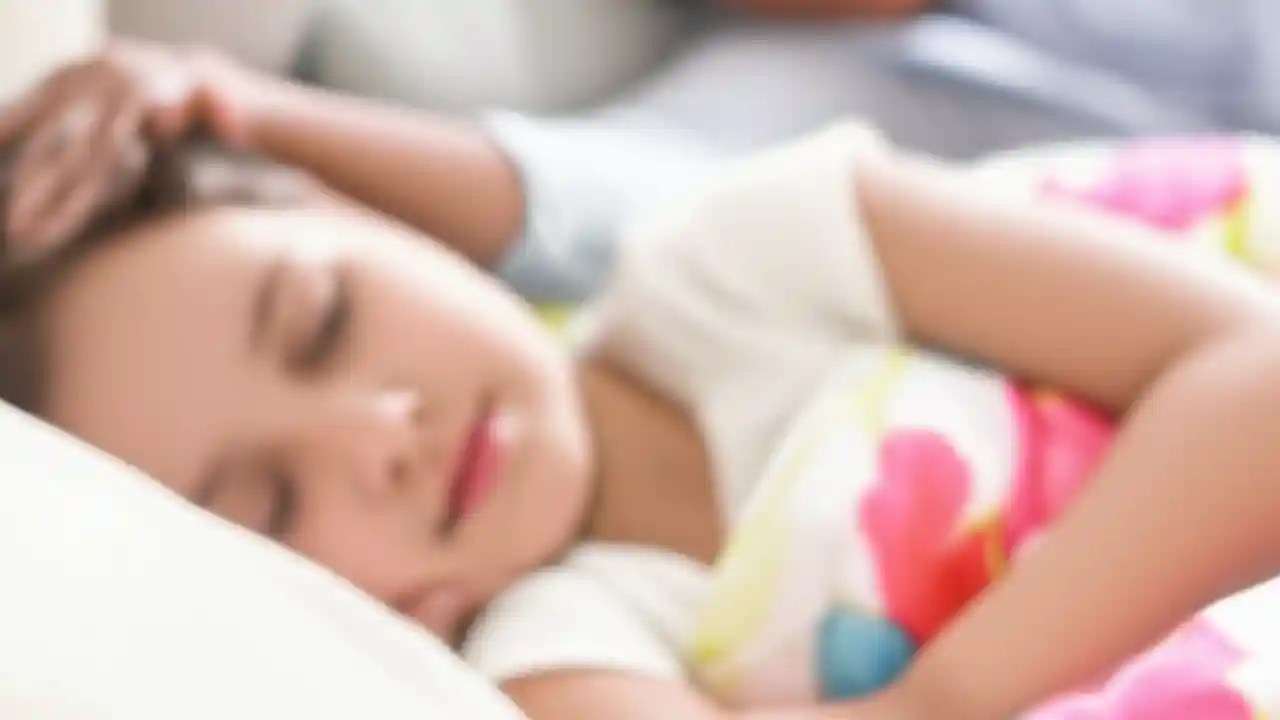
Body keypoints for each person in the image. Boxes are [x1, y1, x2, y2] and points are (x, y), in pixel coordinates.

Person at [5, 43, 1280, 719]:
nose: (377, 433)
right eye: (269, 506)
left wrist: (940, 702)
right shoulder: (553, 656)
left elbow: (1259, 372)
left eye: (324, 322)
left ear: (370, 213)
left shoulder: (740, 255)